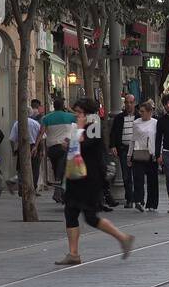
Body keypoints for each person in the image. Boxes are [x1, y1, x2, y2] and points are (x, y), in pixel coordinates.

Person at [54, 98, 134, 266]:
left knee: (90, 216)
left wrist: (77, 132)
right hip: (76, 177)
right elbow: (76, 147)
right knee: (70, 212)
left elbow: (84, 144)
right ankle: (73, 253)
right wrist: (67, 144)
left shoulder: (94, 128)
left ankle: (123, 237)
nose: (76, 116)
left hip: (90, 179)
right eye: (75, 112)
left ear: (87, 114)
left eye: (79, 112)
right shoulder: (80, 128)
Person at [41, 98, 76, 204]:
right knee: (62, 170)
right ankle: (58, 192)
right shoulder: (70, 116)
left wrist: (39, 147)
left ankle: (60, 193)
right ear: (63, 106)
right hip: (64, 147)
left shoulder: (46, 118)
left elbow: (41, 133)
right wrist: (70, 110)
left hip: (51, 148)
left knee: (57, 169)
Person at [129, 100, 159, 213]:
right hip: (139, 153)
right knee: (138, 178)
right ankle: (139, 200)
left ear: (149, 112)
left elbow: (158, 139)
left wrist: (158, 153)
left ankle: (152, 203)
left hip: (151, 154)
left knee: (152, 180)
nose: (140, 113)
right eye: (140, 111)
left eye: (143, 111)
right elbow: (133, 139)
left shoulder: (155, 123)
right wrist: (129, 155)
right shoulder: (136, 123)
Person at [108, 94, 138, 208]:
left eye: (131, 102)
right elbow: (113, 133)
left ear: (134, 103)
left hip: (137, 149)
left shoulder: (139, 117)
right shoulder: (119, 118)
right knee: (126, 175)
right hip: (124, 149)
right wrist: (113, 146)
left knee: (137, 174)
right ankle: (129, 198)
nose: (129, 105)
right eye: (127, 102)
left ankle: (138, 198)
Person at [10, 112, 43, 191]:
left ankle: (22, 189)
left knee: (21, 169)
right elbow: (42, 138)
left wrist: (13, 150)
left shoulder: (17, 124)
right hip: (34, 147)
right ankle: (33, 188)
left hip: (21, 147)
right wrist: (41, 150)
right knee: (35, 169)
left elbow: (12, 139)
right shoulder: (36, 123)